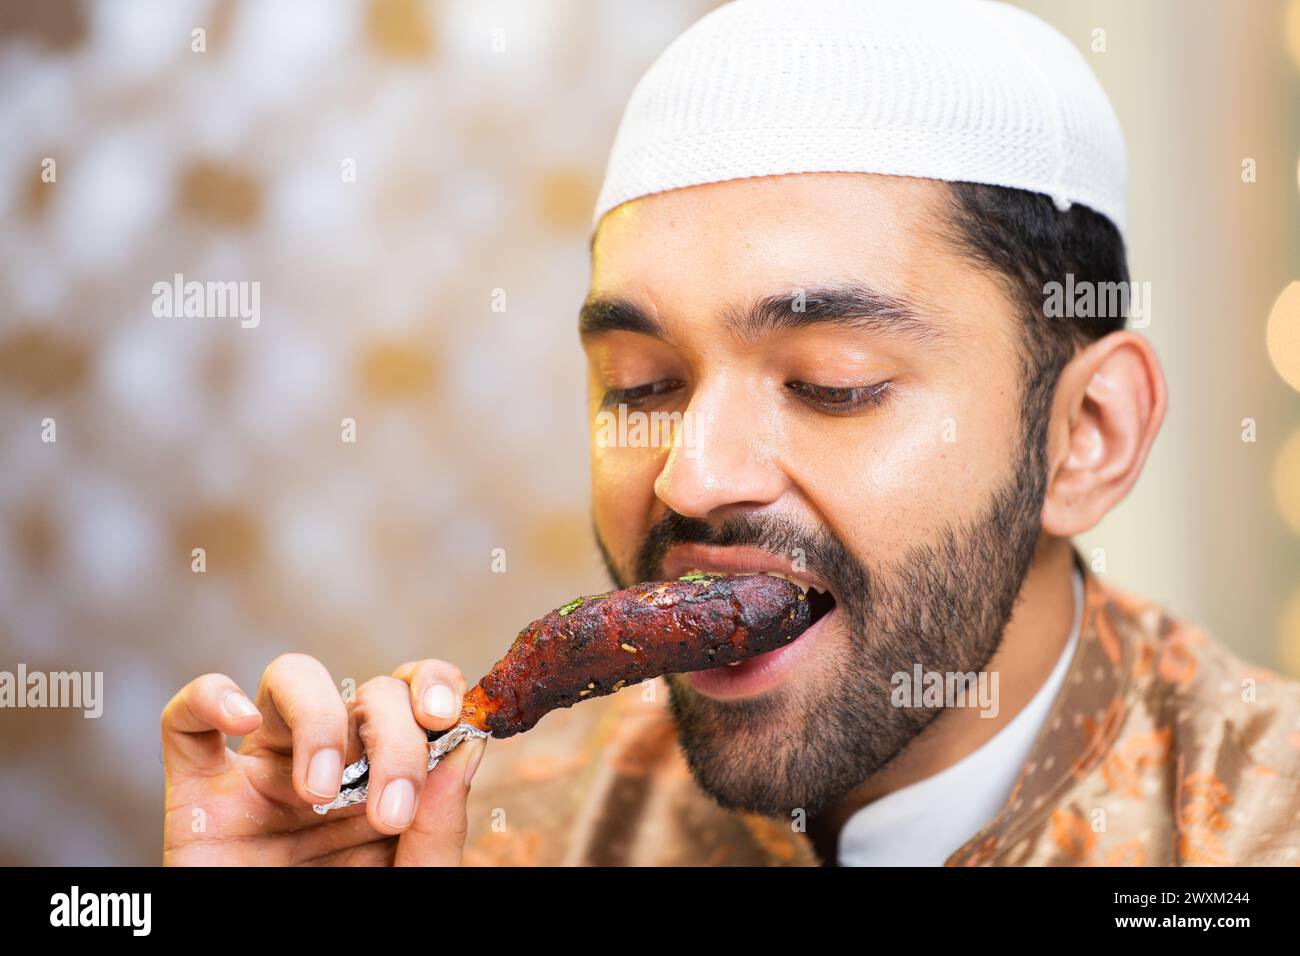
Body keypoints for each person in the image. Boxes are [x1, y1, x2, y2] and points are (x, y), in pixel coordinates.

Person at [161, 0, 1300, 867]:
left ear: (1086, 433)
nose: (693, 475)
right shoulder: (479, 832)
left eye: (830, 381)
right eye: (643, 383)